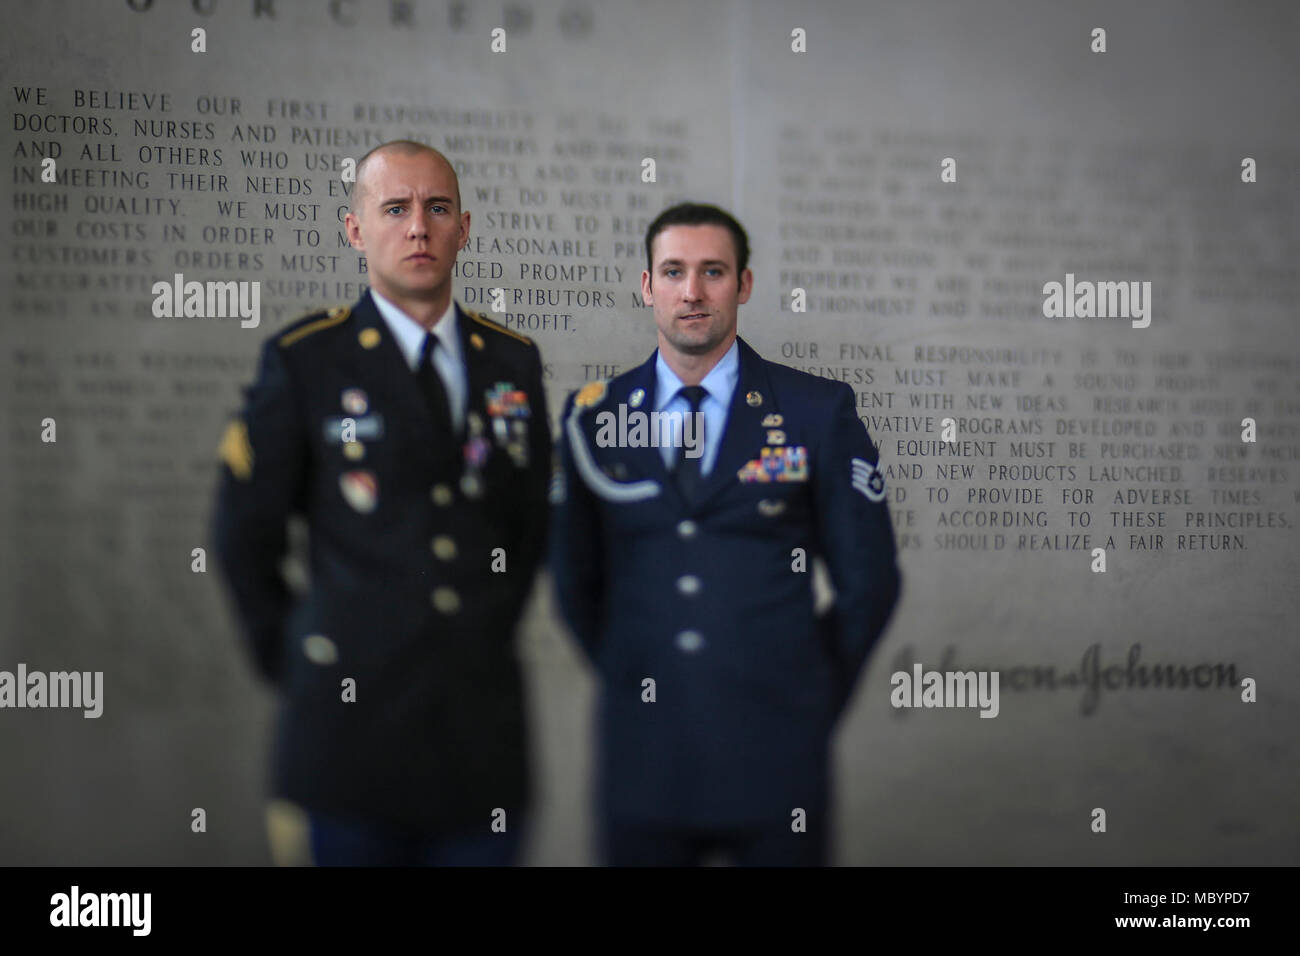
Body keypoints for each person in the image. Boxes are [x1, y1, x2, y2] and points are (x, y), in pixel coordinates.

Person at [212, 141, 550, 866]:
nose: (418, 227)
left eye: (437, 209)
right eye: (395, 208)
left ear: (464, 227)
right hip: (345, 746)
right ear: (356, 230)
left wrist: (473, 639)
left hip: (480, 745)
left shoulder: (511, 362)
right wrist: (308, 663)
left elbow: (523, 532)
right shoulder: (307, 360)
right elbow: (245, 535)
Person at [549, 202, 902, 866]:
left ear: (742, 284)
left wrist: (808, 688)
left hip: (777, 751)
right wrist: (638, 670)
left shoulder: (815, 412)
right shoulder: (592, 418)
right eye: (674, 271)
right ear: (646, 284)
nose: (692, 291)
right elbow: (574, 578)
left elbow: (870, 580)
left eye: (713, 272)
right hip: (643, 753)